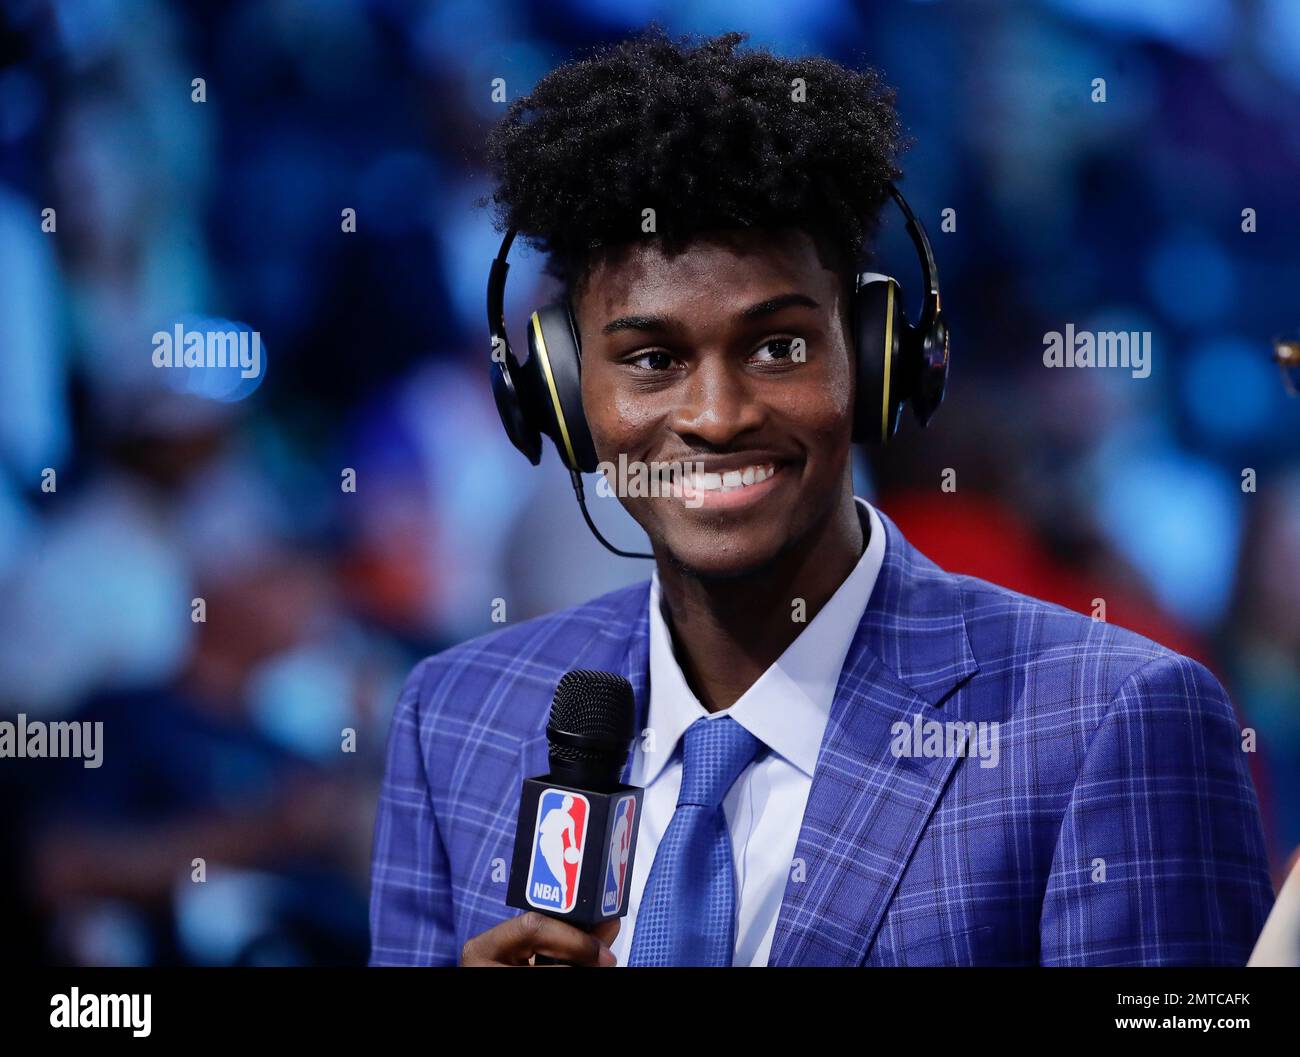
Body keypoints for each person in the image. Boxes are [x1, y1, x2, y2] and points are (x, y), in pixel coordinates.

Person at [368, 28, 1273, 967]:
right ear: (560, 394)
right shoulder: (457, 719)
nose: (716, 416)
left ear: (879, 362)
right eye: (651, 358)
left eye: (779, 346)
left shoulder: (1113, 720)